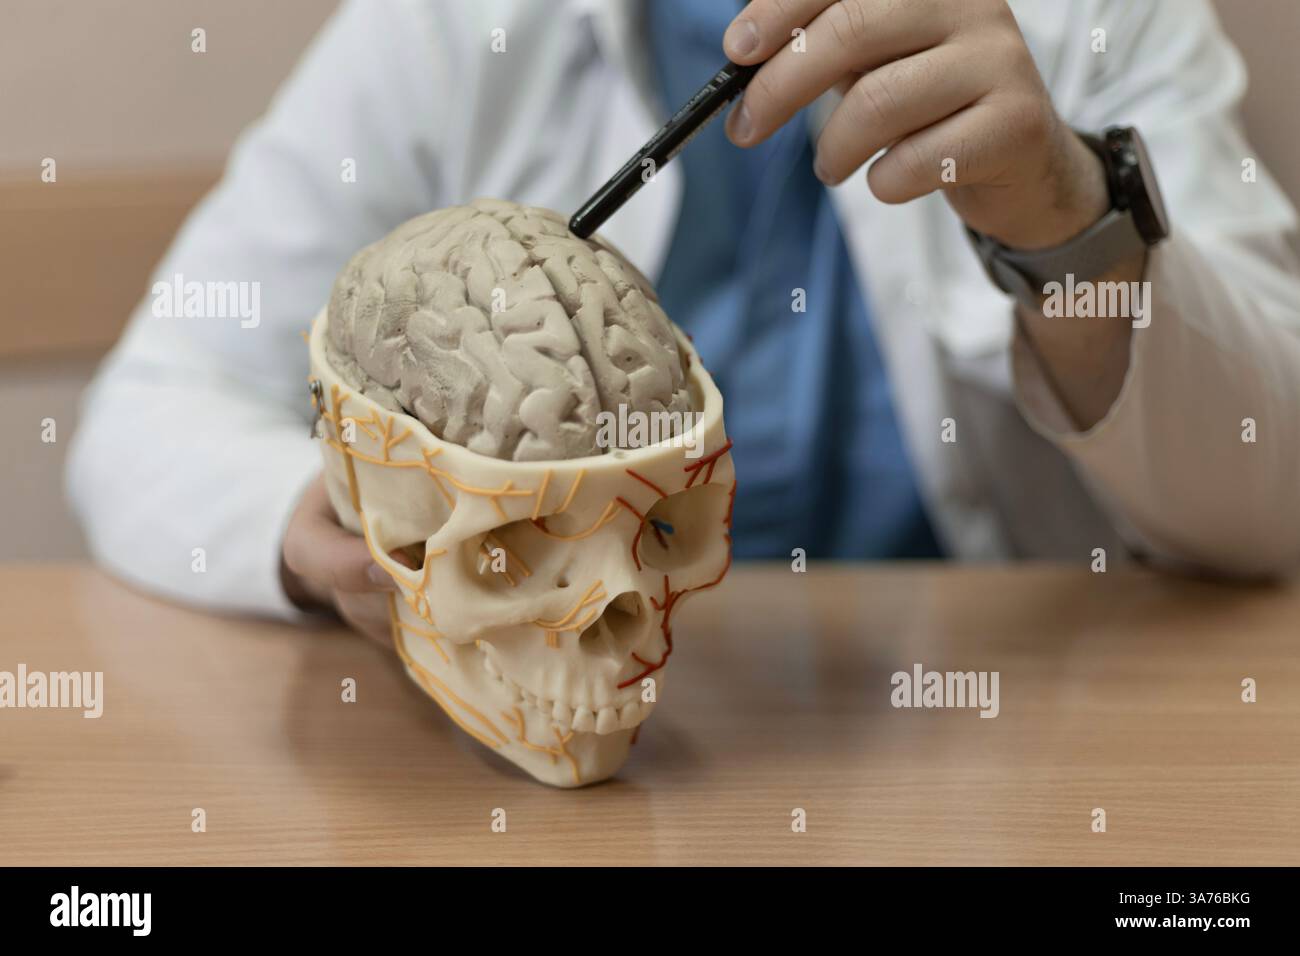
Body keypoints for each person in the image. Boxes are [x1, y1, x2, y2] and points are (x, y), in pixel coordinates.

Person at [67, 0, 1300, 647]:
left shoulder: (1096, 6)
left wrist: (1069, 219)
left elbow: (1272, 488)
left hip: (995, 753)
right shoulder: (450, 24)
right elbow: (154, 406)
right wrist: (343, 531)